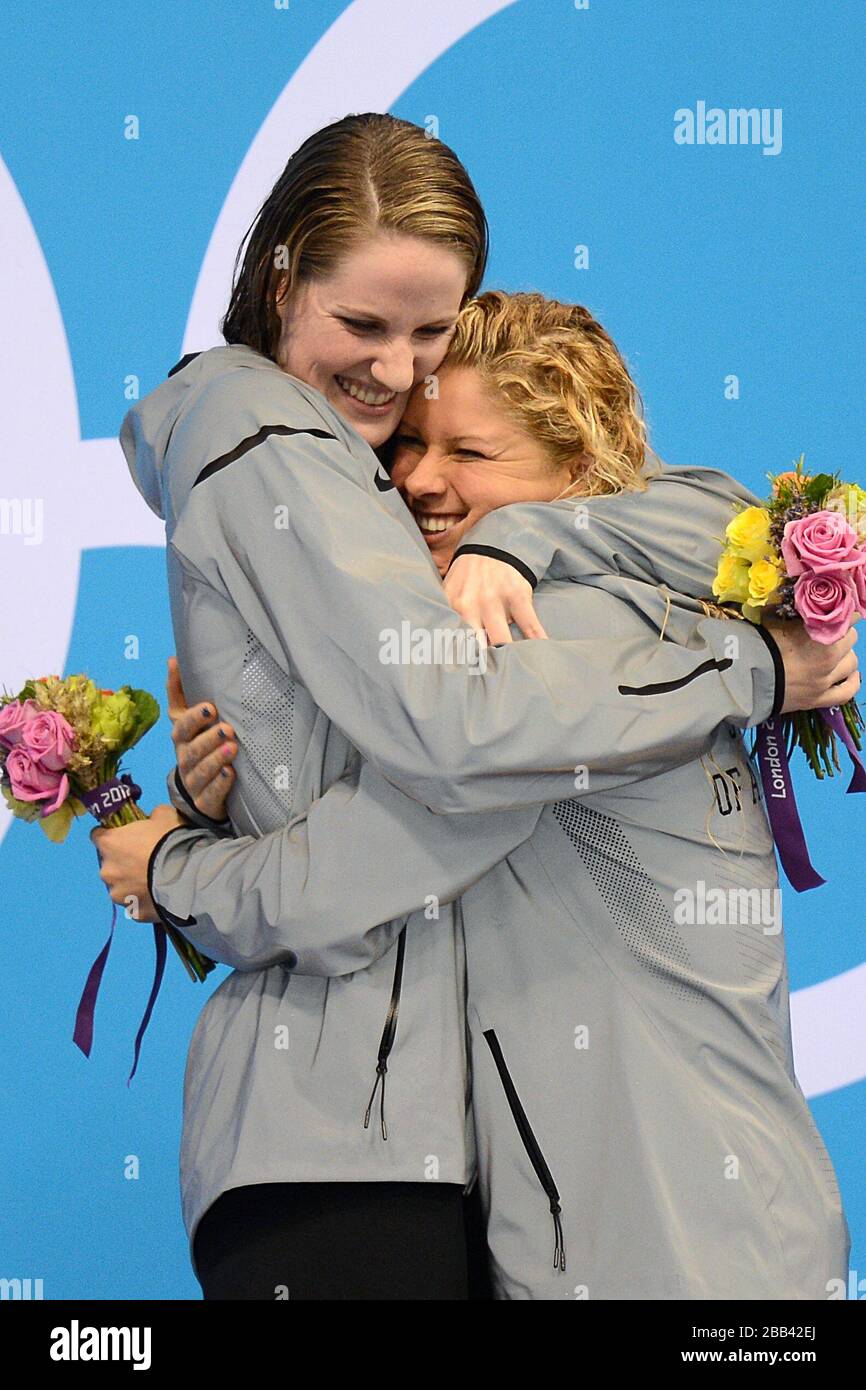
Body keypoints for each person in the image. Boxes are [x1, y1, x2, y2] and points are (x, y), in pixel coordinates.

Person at [95, 118, 857, 1297]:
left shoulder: (570, 645)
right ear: (284, 279)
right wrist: (235, 774)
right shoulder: (517, 637)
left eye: (472, 453)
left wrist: (175, 868)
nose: (416, 473)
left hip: (693, 1257)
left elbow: (379, 839)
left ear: (576, 468)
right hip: (579, 1247)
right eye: (406, 451)